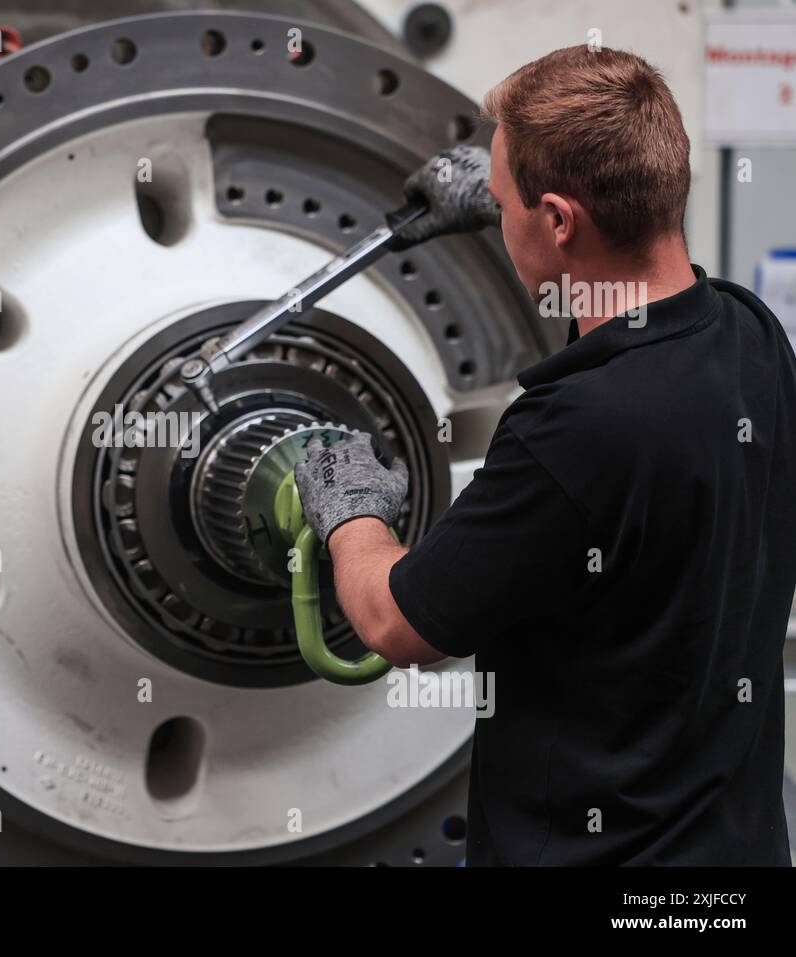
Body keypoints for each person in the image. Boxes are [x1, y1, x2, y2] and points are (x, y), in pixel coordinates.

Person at [294, 45, 796, 865]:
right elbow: (627, 313)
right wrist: (506, 214)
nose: (496, 215)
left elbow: (393, 621)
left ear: (559, 220)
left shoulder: (572, 431)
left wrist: (350, 509)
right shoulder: (751, 336)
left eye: (502, 204)